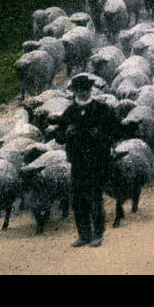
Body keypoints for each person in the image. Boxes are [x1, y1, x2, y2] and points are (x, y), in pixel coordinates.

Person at [59, 73, 111, 247]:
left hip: (96, 161)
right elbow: (58, 135)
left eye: (86, 89)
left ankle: (97, 235)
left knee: (95, 199)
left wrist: (100, 135)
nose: (84, 93)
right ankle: (83, 235)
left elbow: (114, 130)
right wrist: (65, 134)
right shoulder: (69, 112)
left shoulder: (101, 109)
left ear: (90, 90)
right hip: (77, 162)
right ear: (75, 91)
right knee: (78, 200)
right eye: (80, 90)